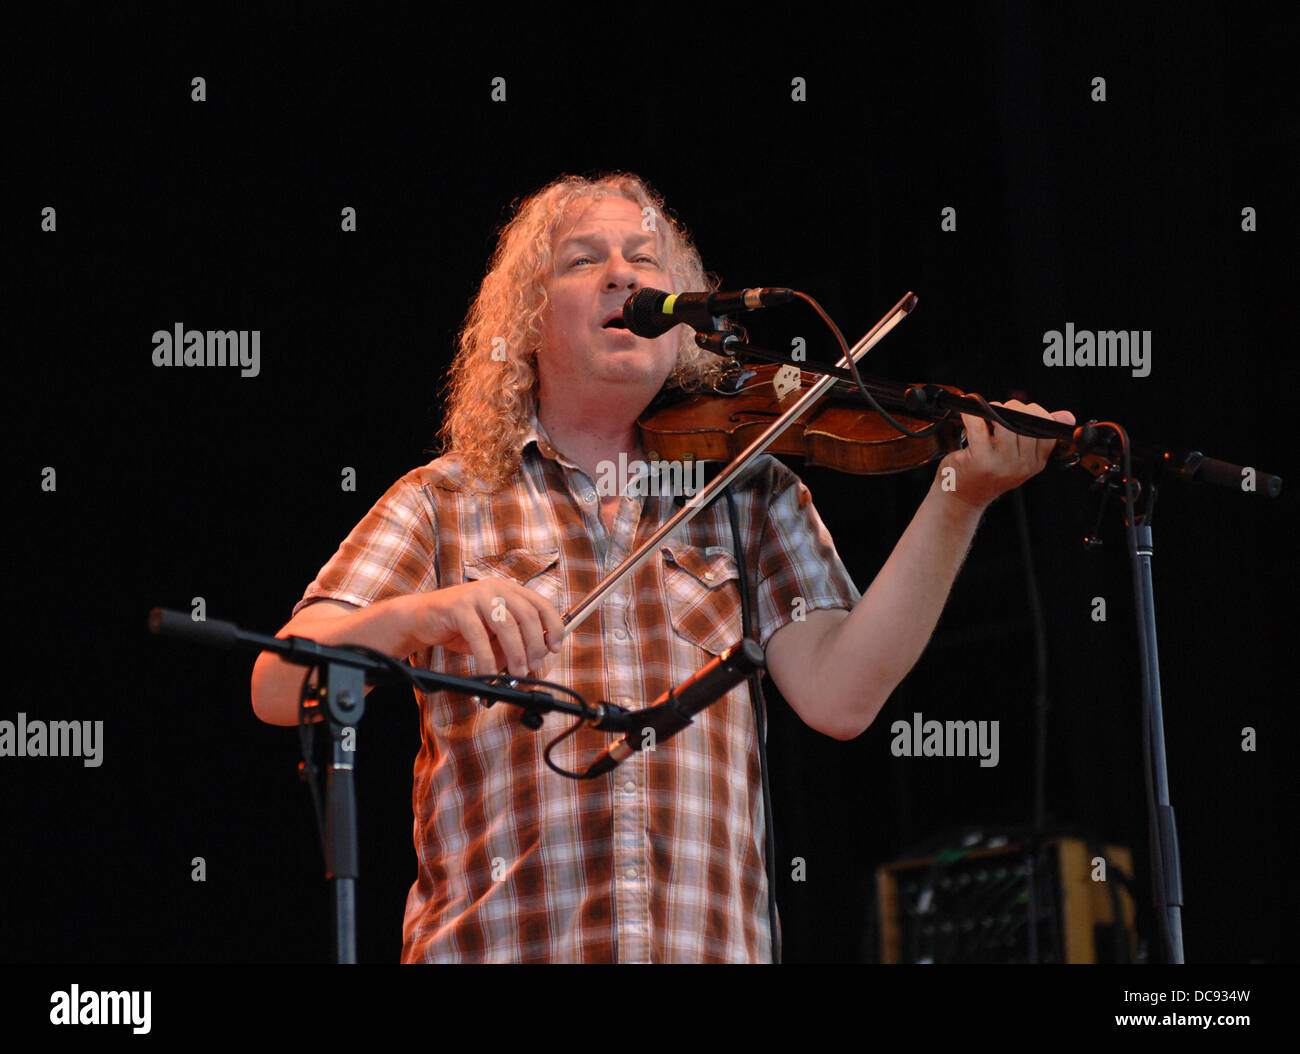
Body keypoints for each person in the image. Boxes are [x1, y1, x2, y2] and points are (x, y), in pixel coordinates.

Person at [249, 171, 1075, 963]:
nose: (622, 275)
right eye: (584, 259)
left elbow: (841, 695)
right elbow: (279, 682)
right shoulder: (447, 497)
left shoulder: (746, 488)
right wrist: (419, 616)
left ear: (681, 320)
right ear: (529, 319)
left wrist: (959, 496)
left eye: (644, 261)